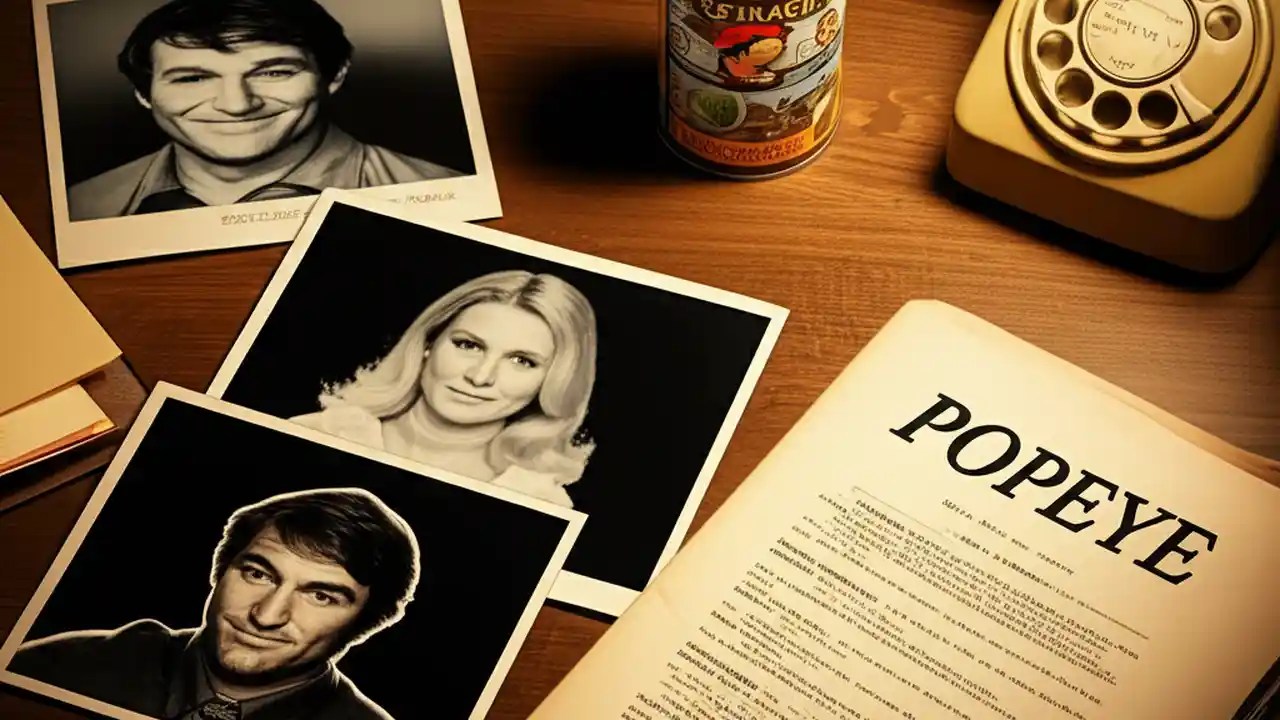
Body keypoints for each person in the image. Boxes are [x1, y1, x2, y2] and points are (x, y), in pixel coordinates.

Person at [7, 488, 419, 720]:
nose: (266, 616)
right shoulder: (66, 665)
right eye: (258, 574)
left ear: (365, 623)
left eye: (320, 596)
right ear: (219, 572)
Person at [68, 0, 463, 222]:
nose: (237, 105)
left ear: (333, 77)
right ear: (143, 93)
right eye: (193, 78)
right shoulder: (81, 208)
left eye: (273, 72)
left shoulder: (446, 195)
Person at [291, 271, 598, 509]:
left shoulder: (539, 501)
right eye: (468, 345)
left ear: (554, 381)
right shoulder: (315, 433)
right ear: (428, 343)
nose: (480, 377)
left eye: (522, 361)